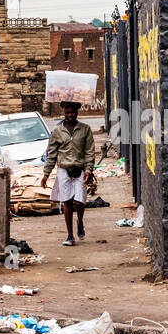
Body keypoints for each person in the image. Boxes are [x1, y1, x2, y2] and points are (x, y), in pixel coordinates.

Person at [41, 101, 95, 246]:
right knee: (67, 202)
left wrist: (89, 170)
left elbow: (89, 151)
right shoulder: (57, 131)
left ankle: (80, 222)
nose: (70, 115)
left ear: (77, 113)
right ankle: (70, 235)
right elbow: (51, 154)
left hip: (80, 169)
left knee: (80, 200)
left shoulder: (85, 129)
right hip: (63, 169)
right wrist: (46, 174)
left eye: (73, 112)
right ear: (63, 113)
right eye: (67, 113)